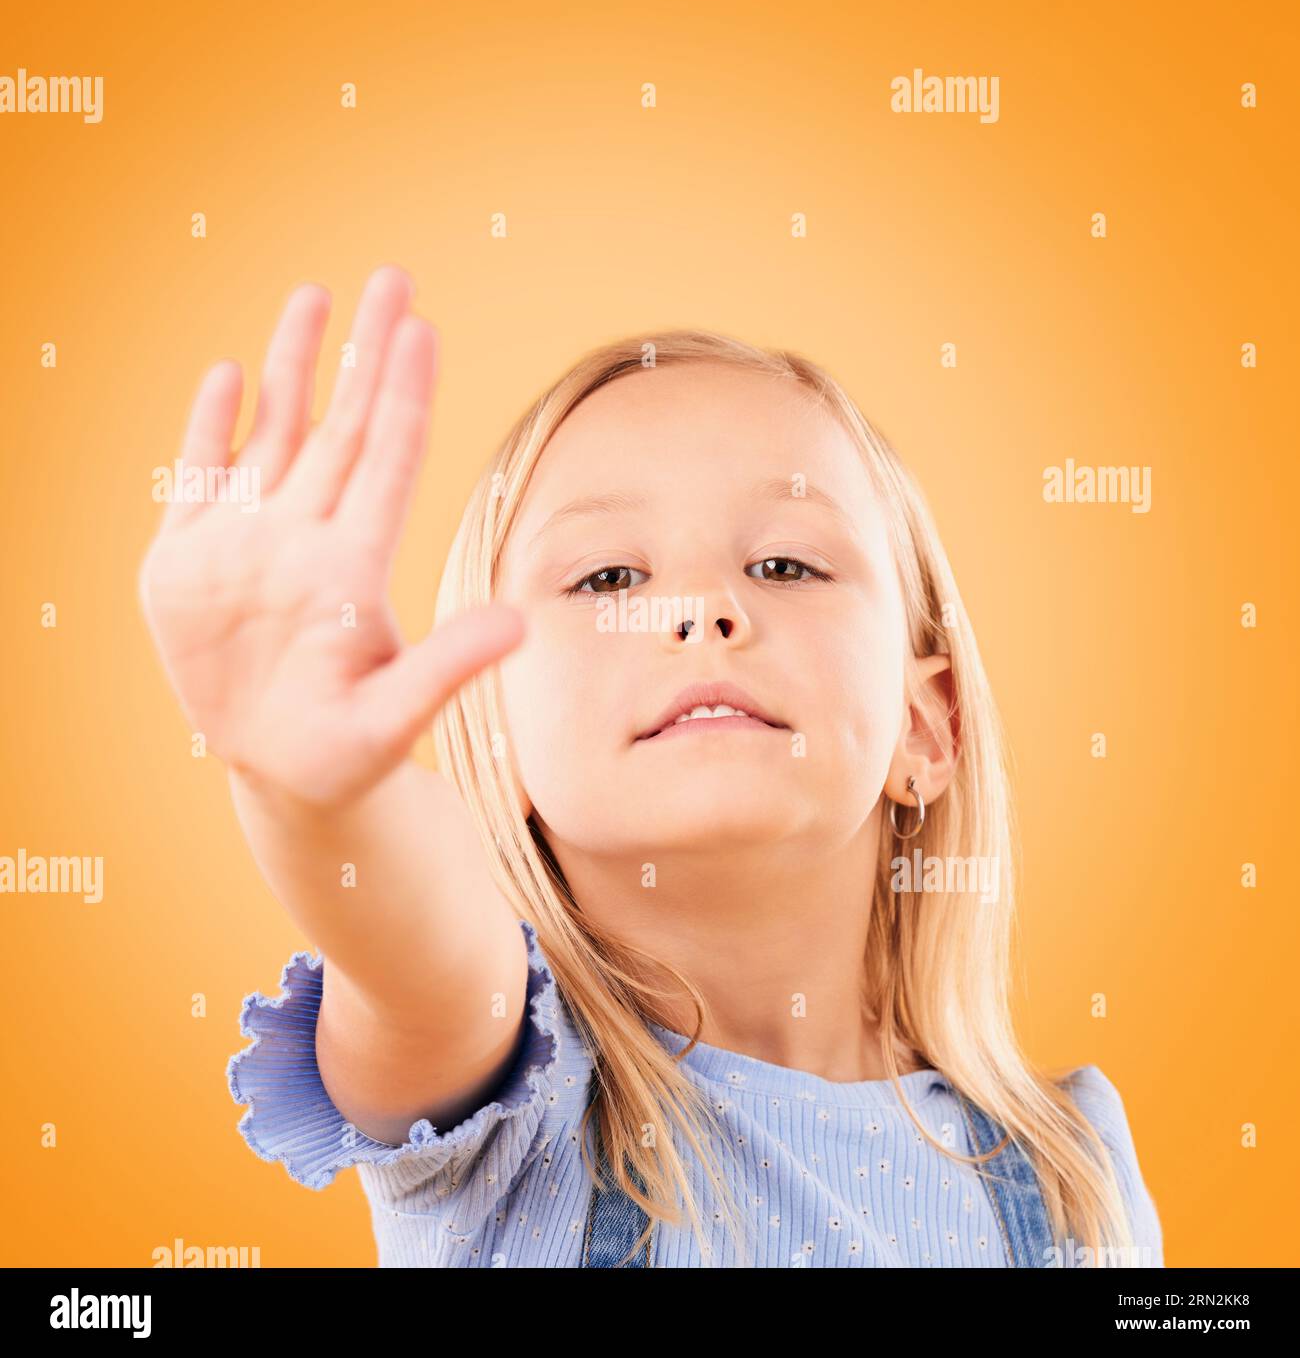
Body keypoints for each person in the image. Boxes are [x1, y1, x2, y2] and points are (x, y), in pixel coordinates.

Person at [139, 265, 1164, 1268]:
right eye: (608, 575)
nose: (700, 609)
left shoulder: (1070, 1166)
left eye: (785, 564)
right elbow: (419, 952)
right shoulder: (510, 1094)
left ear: (924, 726)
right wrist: (321, 798)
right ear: (500, 739)